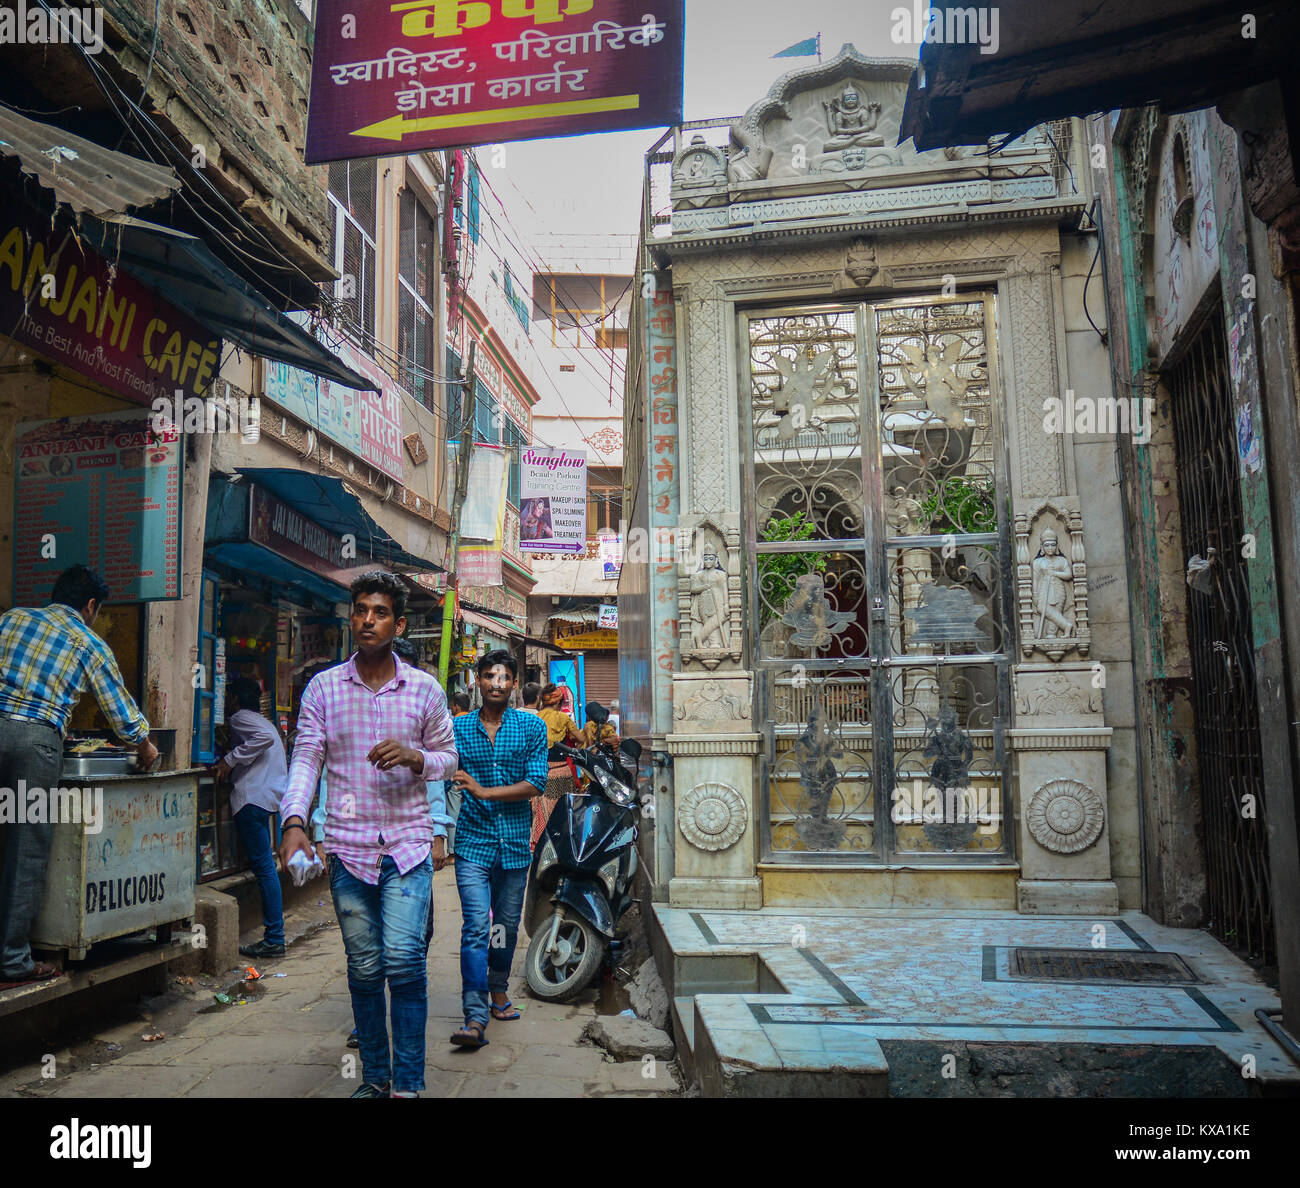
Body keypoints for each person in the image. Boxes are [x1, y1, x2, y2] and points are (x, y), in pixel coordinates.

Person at [279, 572, 458, 1098]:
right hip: (348, 851)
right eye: (360, 610)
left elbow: (450, 760)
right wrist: (294, 822)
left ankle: (408, 1084)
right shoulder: (324, 688)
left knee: (403, 961)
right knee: (363, 966)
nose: (367, 620)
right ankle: (375, 1080)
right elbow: (306, 757)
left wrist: (416, 757)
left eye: (379, 612)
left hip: (407, 848)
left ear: (398, 623)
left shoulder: (424, 689)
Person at [0, 565, 157, 990]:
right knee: (25, 848)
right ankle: (12, 961)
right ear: (90, 606)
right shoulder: (87, 642)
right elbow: (121, 712)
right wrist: (146, 747)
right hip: (34, 746)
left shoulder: (12, 618)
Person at [448, 650, 548, 1048]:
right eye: (489, 676)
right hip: (472, 842)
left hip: (514, 847)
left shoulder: (531, 727)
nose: (495, 683)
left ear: (514, 683)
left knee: (502, 928)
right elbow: (441, 778)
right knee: (476, 926)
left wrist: (484, 791)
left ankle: (498, 989)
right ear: (478, 680)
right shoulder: (457, 729)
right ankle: (474, 1014)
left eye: (503, 677)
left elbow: (536, 783)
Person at [216, 677, 288, 959]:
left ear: (234, 699)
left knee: (265, 868)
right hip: (267, 798)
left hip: (252, 798)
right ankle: (274, 935)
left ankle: (275, 937)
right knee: (266, 866)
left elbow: (264, 741)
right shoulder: (262, 720)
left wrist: (230, 759)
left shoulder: (239, 718)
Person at [534, 683, 583, 848]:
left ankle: (539, 842)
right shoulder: (563, 718)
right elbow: (582, 740)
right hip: (561, 770)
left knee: (541, 809)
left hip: (539, 771)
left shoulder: (536, 717)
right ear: (559, 701)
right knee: (564, 807)